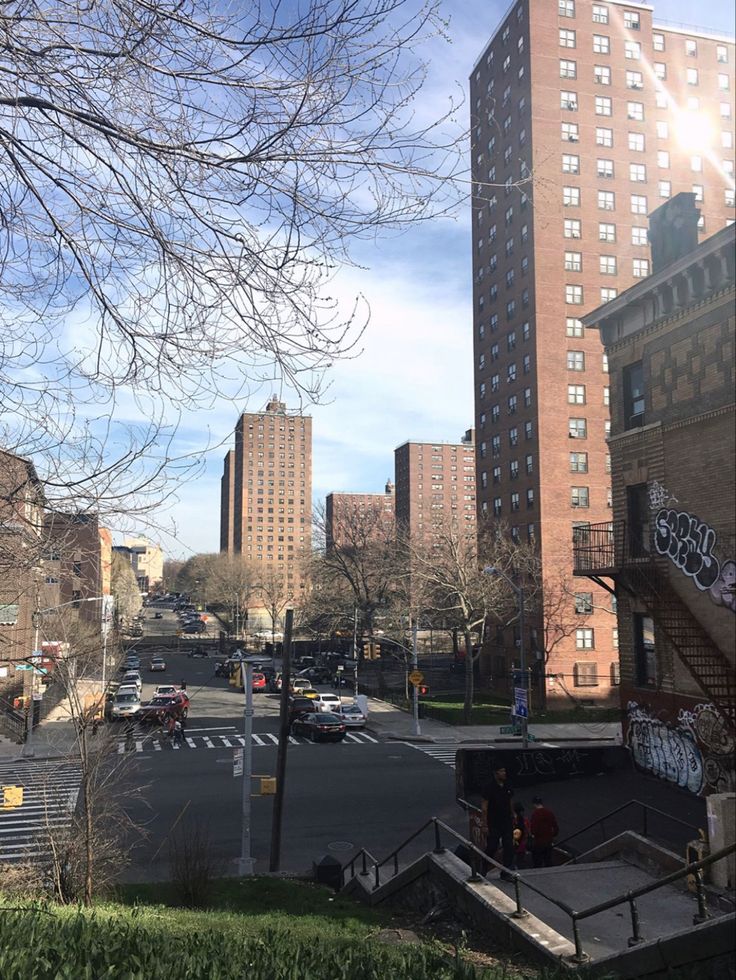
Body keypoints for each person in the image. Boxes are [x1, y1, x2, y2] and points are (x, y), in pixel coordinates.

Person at [485, 764, 516, 881]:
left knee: (509, 846)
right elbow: (485, 806)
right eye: (501, 771)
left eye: (504, 771)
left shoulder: (508, 784)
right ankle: (483, 866)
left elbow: (510, 800)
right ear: (496, 773)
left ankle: (506, 872)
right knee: (492, 846)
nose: (504, 773)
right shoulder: (489, 787)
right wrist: (484, 824)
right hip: (493, 821)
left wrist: (513, 814)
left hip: (506, 820)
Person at [529, 795, 559, 868]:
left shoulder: (535, 814)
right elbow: (555, 827)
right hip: (548, 841)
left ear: (534, 804)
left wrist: (532, 835)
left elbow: (534, 829)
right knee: (548, 860)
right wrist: (552, 835)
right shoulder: (549, 812)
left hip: (538, 842)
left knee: (537, 862)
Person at [512, 802, 530, 868]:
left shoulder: (512, 821)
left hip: (513, 845)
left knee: (512, 863)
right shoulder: (525, 821)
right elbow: (528, 832)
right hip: (522, 844)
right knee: (520, 863)